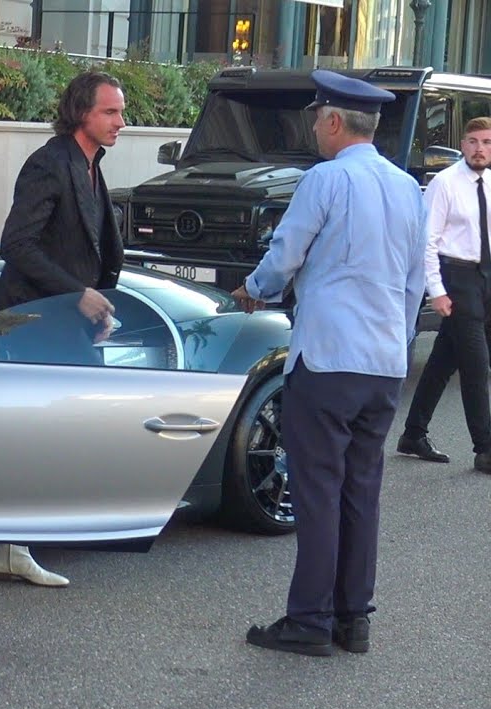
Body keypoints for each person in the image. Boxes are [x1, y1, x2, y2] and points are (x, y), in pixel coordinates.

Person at [232, 70, 426, 656]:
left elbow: (285, 253)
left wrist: (254, 288)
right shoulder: (407, 186)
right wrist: (399, 335)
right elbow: (417, 279)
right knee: (361, 491)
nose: (315, 126)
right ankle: (353, 618)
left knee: (317, 489)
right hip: (384, 360)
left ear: (335, 121)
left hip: (328, 357)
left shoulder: (326, 178)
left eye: (317, 117)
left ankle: (310, 620)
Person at [0, 70, 127, 588]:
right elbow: (16, 246)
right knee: (31, 437)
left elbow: (94, 250)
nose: (121, 121)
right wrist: (77, 294)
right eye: (110, 112)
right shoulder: (49, 162)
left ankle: (20, 540)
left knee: (62, 434)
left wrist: (100, 307)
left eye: (121, 111)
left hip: (68, 323)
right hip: (30, 322)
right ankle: (11, 545)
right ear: (80, 113)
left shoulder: (91, 166)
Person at [395, 116, 491, 472]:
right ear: (462, 144)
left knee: (443, 361)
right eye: (473, 141)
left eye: (486, 142)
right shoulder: (445, 183)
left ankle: (413, 433)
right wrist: (436, 290)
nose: (480, 149)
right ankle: (485, 448)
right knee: (476, 364)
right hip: (456, 275)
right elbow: (427, 242)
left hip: (486, 277)